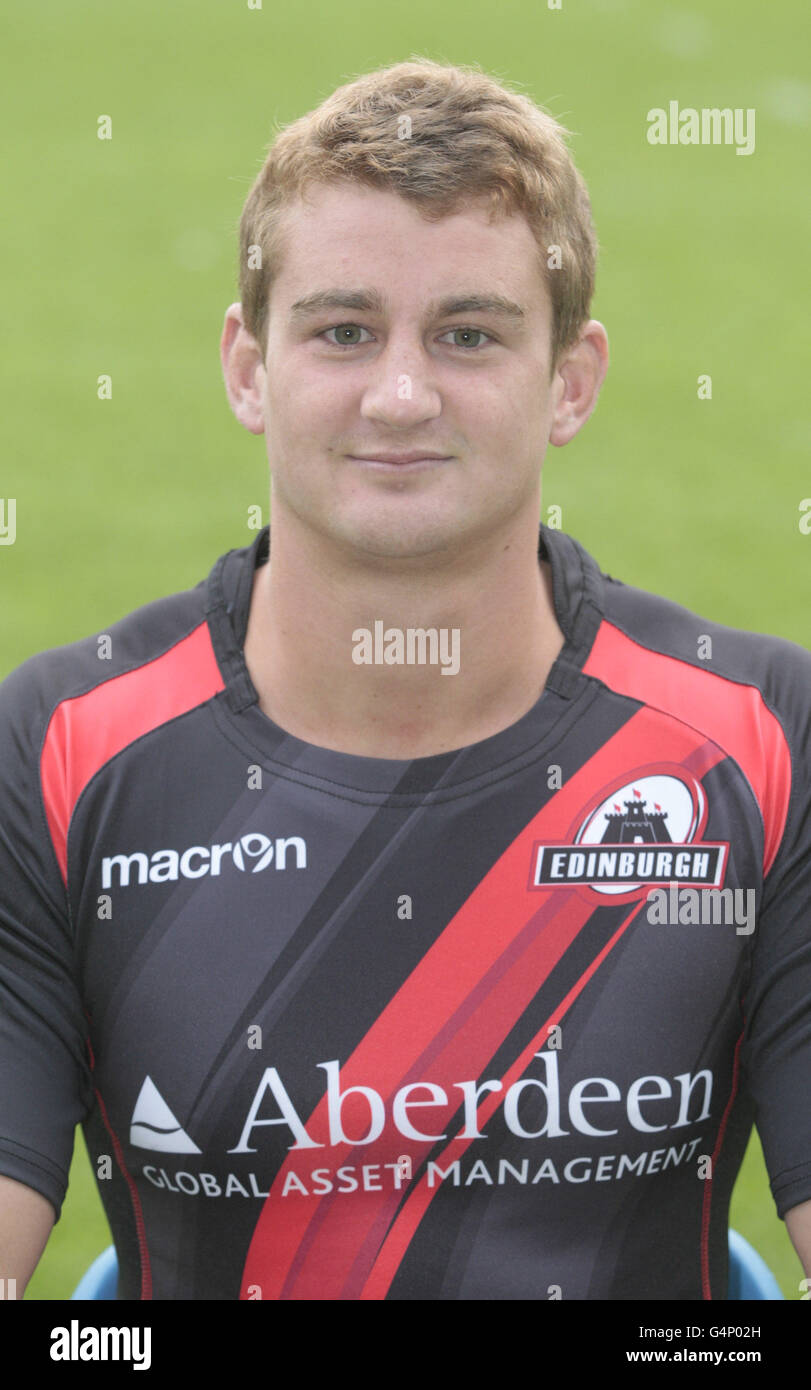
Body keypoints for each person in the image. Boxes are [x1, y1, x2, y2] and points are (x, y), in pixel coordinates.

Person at [1, 57, 809, 1302]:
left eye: (468, 334)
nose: (398, 393)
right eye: (342, 331)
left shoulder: (760, 740)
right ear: (247, 367)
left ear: (572, 379)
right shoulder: (56, 750)